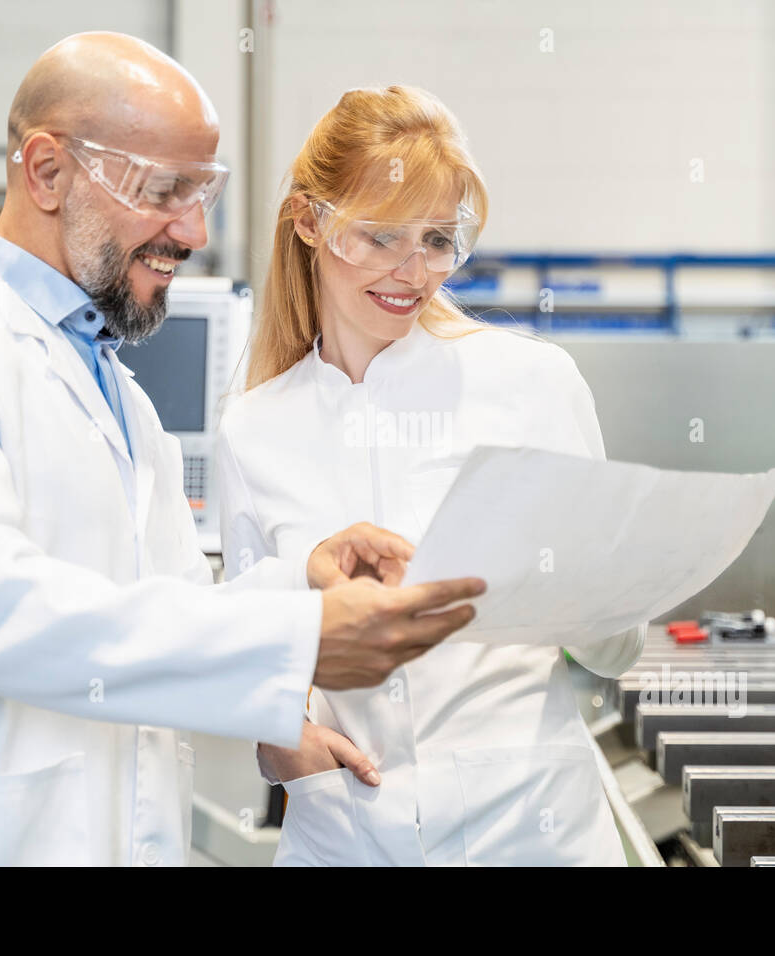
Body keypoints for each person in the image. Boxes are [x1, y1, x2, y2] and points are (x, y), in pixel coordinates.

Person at [0, 36, 483, 867]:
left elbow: (168, 601)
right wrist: (295, 637)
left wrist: (297, 579)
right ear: (47, 172)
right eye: (164, 191)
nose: (192, 230)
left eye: (204, 194)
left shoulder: (123, 402)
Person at [217, 85, 648, 866]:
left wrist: (593, 593)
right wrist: (277, 746)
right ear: (310, 223)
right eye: (380, 237)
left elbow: (620, 648)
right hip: (343, 834)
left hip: (529, 829)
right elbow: (250, 645)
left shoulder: (530, 383)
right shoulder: (255, 428)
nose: (412, 273)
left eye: (438, 240)